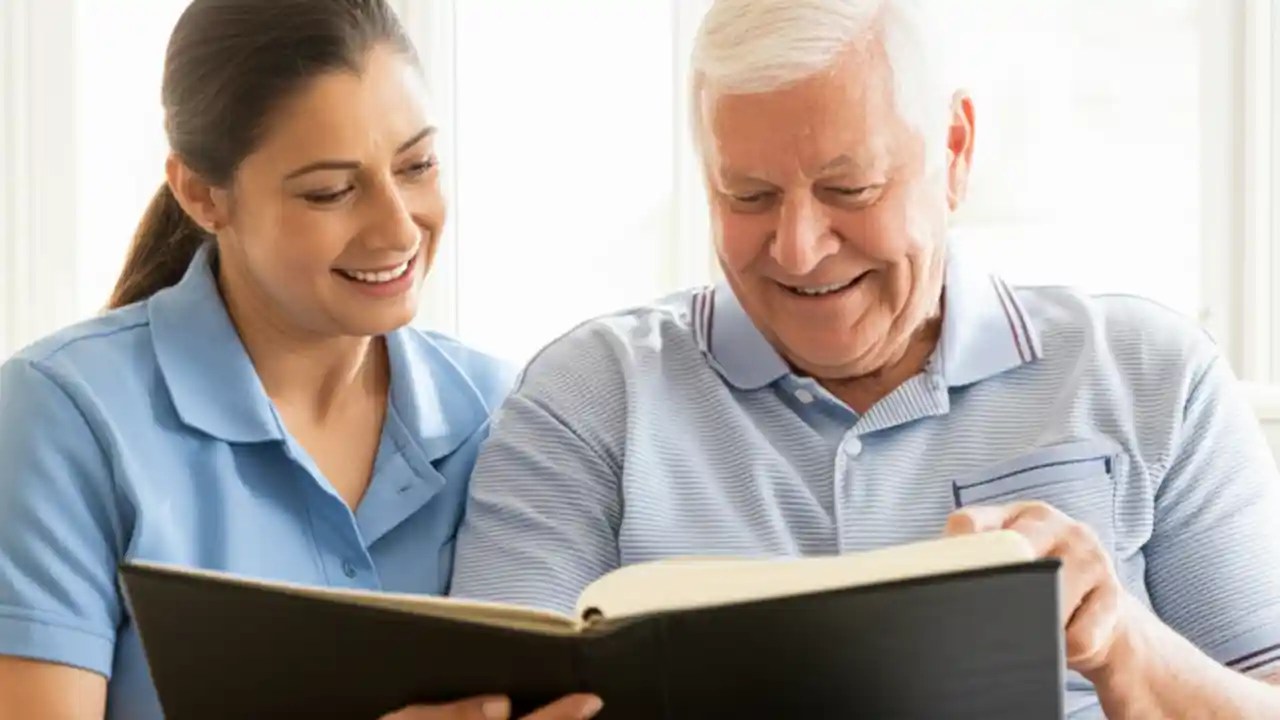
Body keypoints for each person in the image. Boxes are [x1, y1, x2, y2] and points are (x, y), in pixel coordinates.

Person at [450, 0, 1280, 717]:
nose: (800, 249)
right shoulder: (587, 400)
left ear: (953, 152)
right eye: (750, 196)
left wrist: (1128, 649)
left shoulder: (1156, 378)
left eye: (850, 190)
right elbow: (498, 698)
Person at [0, 1, 600, 719]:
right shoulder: (64, 414)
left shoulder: (506, 414)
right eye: (330, 191)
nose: (398, 227)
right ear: (200, 193)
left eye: (417, 165)